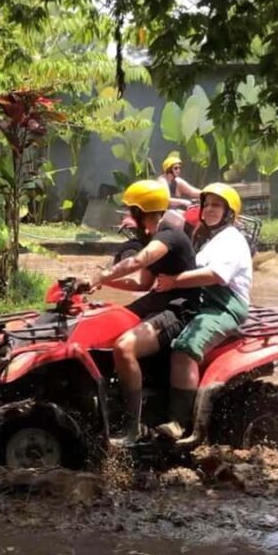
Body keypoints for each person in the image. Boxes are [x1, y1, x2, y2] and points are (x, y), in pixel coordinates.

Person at [87, 180, 201, 442]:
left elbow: (139, 260)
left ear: (140, 212)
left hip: (180, 309)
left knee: (124, 347)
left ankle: (133, 427)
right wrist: (101, 282)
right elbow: (143, 283)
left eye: (131, 210)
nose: (129, 216)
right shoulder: (154, 237)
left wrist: (100, 276)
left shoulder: (169, 236)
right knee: (105, 325)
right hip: (158, 300)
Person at [154, 183, 252, 440]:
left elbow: (215, 275)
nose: (209, 209)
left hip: (224, 306)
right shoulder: (208, 238)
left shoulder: (231, 240)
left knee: (185, 347)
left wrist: (174, 282)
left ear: (229, 212)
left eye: (216, 205)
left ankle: (179, 423)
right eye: (206, 204)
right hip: (201, 301)